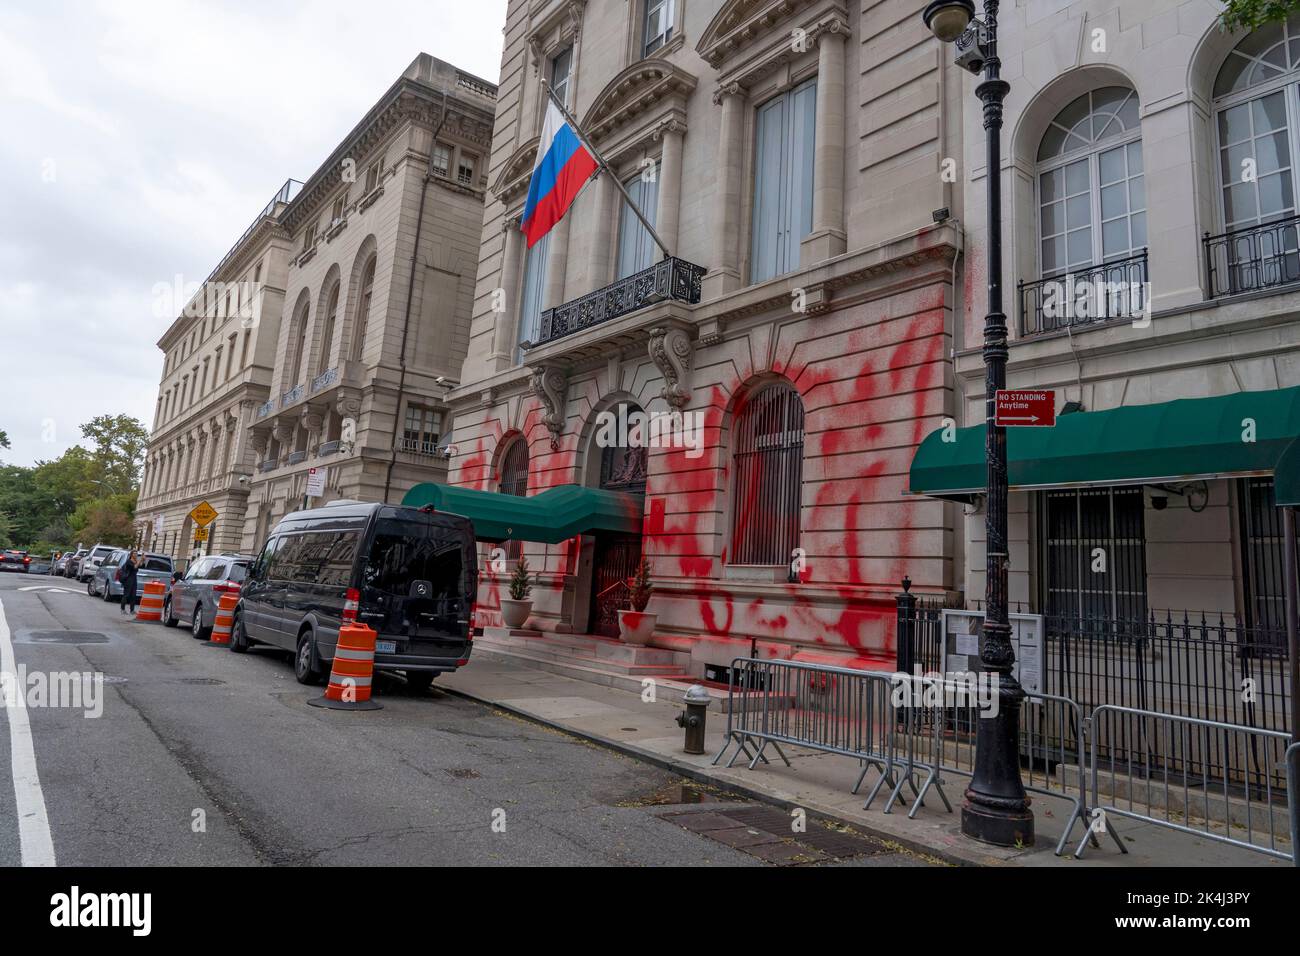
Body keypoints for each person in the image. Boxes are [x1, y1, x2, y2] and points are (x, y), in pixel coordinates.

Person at [117, 551, 139, 616]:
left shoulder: (135, 561)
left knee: (133, 595)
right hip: (128, 579)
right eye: (134, 554)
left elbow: (139, 566)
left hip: (134, 579)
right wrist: (139, 561)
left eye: (136, 554)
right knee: (126, 595)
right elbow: (135, 567)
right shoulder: (129, 561)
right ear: (131, 555)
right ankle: (122, 609)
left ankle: (132, 610)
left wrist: (142, 560)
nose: (136, 555)